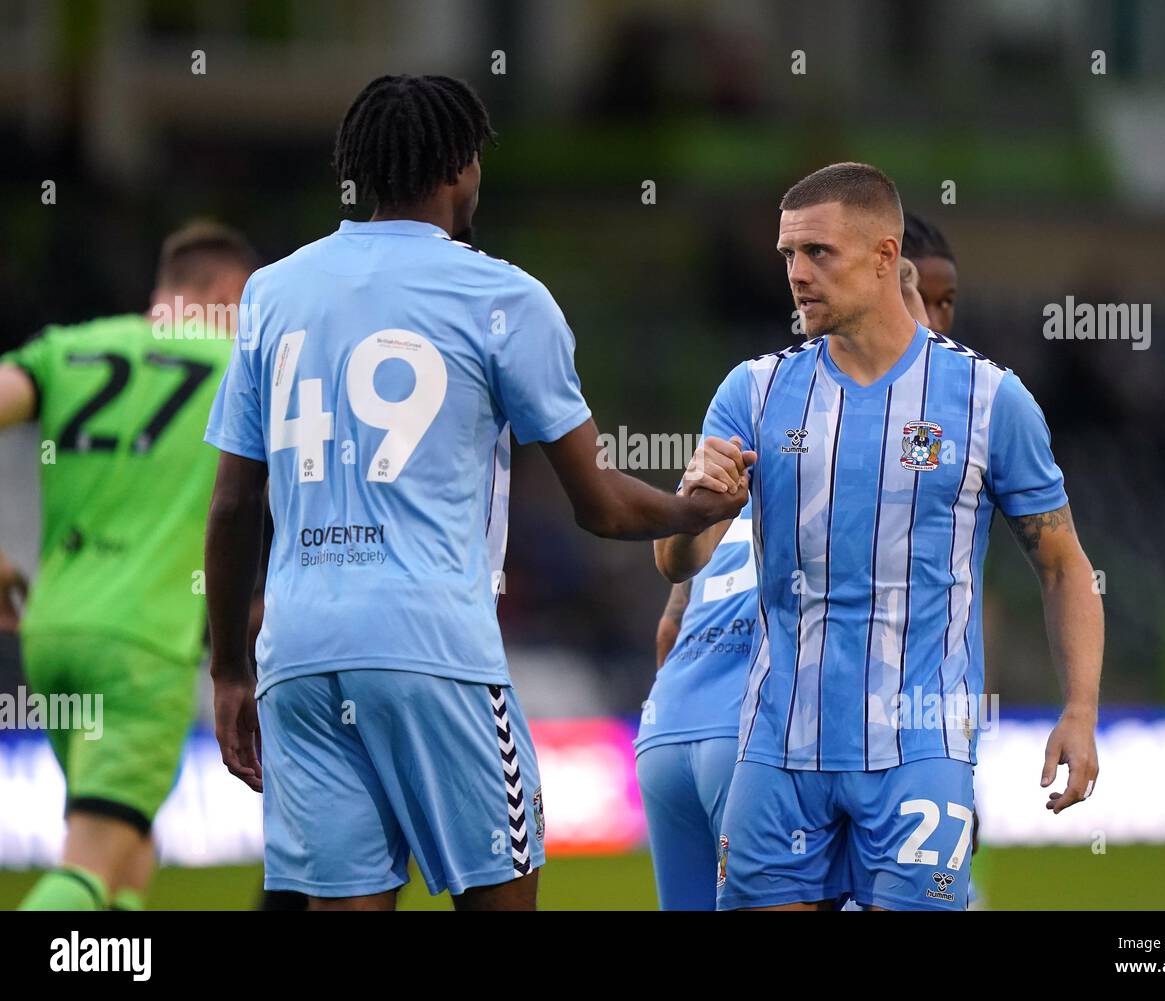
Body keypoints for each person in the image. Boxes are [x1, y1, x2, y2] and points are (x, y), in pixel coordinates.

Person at [202, 74, 745, 912]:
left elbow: (236, 503)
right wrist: (693, 511)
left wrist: (230, 670)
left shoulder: (273, 292)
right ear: (457, 166)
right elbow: (597, 503)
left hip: (298, 656)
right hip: (434, 651)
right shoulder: (504, 297)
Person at [655, 162, 1102, 911]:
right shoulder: (754, 391)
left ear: (885, 256)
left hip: (919, 751)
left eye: (817, 252)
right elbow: (677, 560)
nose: (796, 274)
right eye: (787, 254)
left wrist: (1080, 711)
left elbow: (1063, 565)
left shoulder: (989, 400)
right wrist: (691, 511)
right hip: (777, 748)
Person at [634, 256, 932, 910]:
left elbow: (668, 619)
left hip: (668, 730)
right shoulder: (883, 467)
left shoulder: (760, 454)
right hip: (764, 736)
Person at [0, 221, 258, 910]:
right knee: (88, 861)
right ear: (232, 294)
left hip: (50, 633)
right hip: (142, 643)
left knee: (128, 855)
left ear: (162, 293)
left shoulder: (71, 347)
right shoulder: (244, 363)